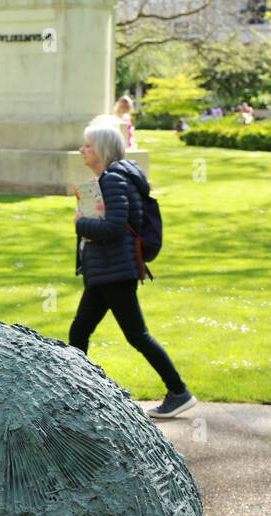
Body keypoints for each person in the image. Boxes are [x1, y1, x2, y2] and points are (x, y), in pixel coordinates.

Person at [71, 120, 195, 419]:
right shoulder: (115, 177)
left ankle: (179, 392)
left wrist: (81, 223)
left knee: (136, 334)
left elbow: (115, 226)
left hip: (115, 268)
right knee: (80, 330)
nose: (82, 150)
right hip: (109, 268)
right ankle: (76, 394)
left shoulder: (113, 180)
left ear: (100, 149)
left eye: (87, 146)